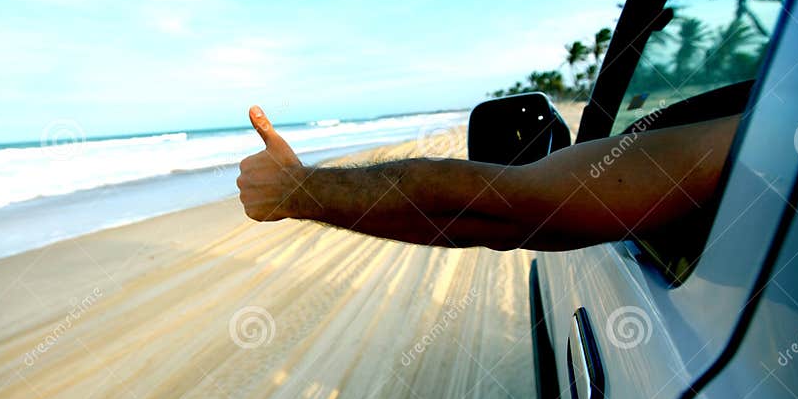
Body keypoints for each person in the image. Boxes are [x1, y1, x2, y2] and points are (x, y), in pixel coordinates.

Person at [236, 105, 740, 251]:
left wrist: (297, 189)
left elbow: (499, 208)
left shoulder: (758, 136)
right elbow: (489, 214)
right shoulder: (783, 134)